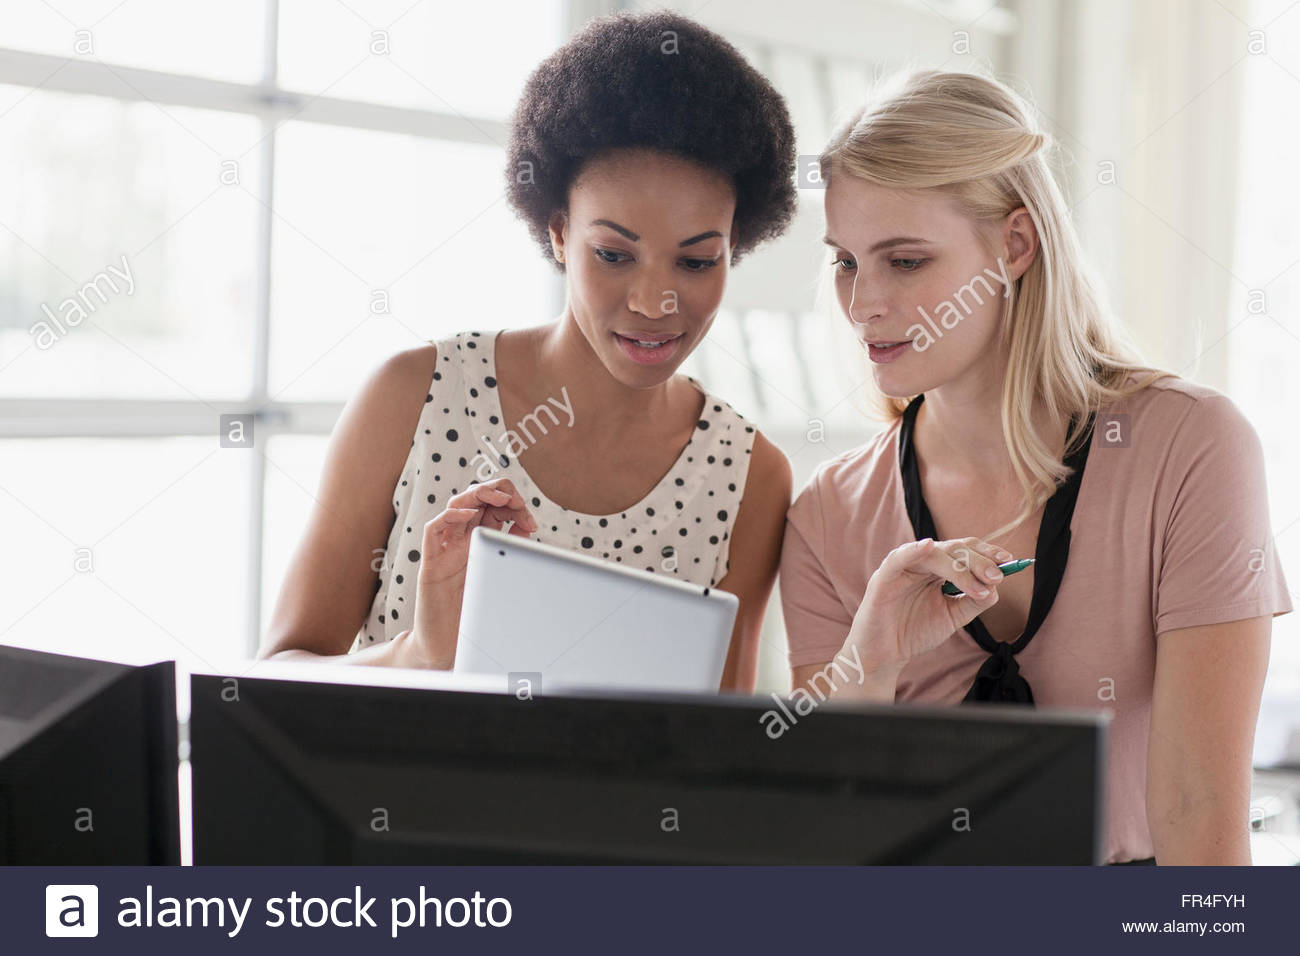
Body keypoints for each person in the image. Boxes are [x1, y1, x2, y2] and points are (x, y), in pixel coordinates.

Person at [780, 69, 1292, 864]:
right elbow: (825, 849)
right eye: (845, 261)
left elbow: (1201, 809)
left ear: (1014, 246)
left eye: (905, 261)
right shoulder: (828, 513)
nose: (862, 303)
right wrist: (870, 660)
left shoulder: (1192, 449)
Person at [257, 12, 797, 693]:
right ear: (558, 233)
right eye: (613, 254)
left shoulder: (749, 477)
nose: (656, 301)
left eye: (696, 262)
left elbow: (711, 753)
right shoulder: (414, 397)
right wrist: (419, 655)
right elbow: (271, 680)